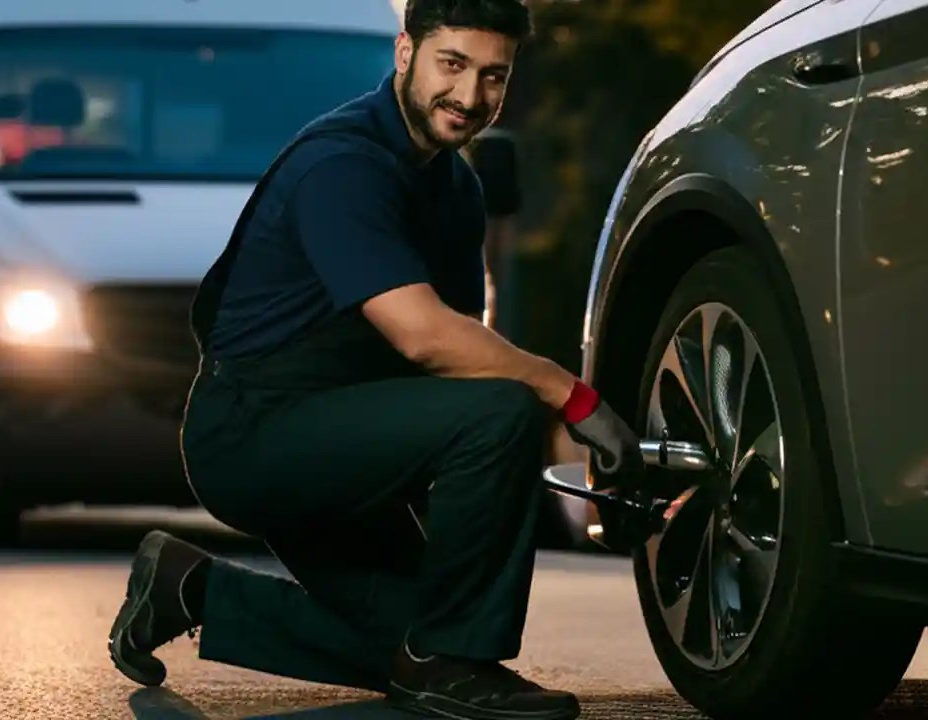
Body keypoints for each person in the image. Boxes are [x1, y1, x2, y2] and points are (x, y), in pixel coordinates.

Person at [106, 2, 642, 719]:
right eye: (452, 64)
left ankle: (188, 587)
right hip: (254, 431)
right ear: (404, 53)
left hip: (350, 437)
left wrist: (564, 483)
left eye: (494, 76)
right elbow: (424, 336)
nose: (471, 95)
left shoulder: (456, 191)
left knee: (414, 629)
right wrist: (573, 400)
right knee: (507, 409)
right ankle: (453, 665)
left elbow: (451, 367)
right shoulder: (342, 164)